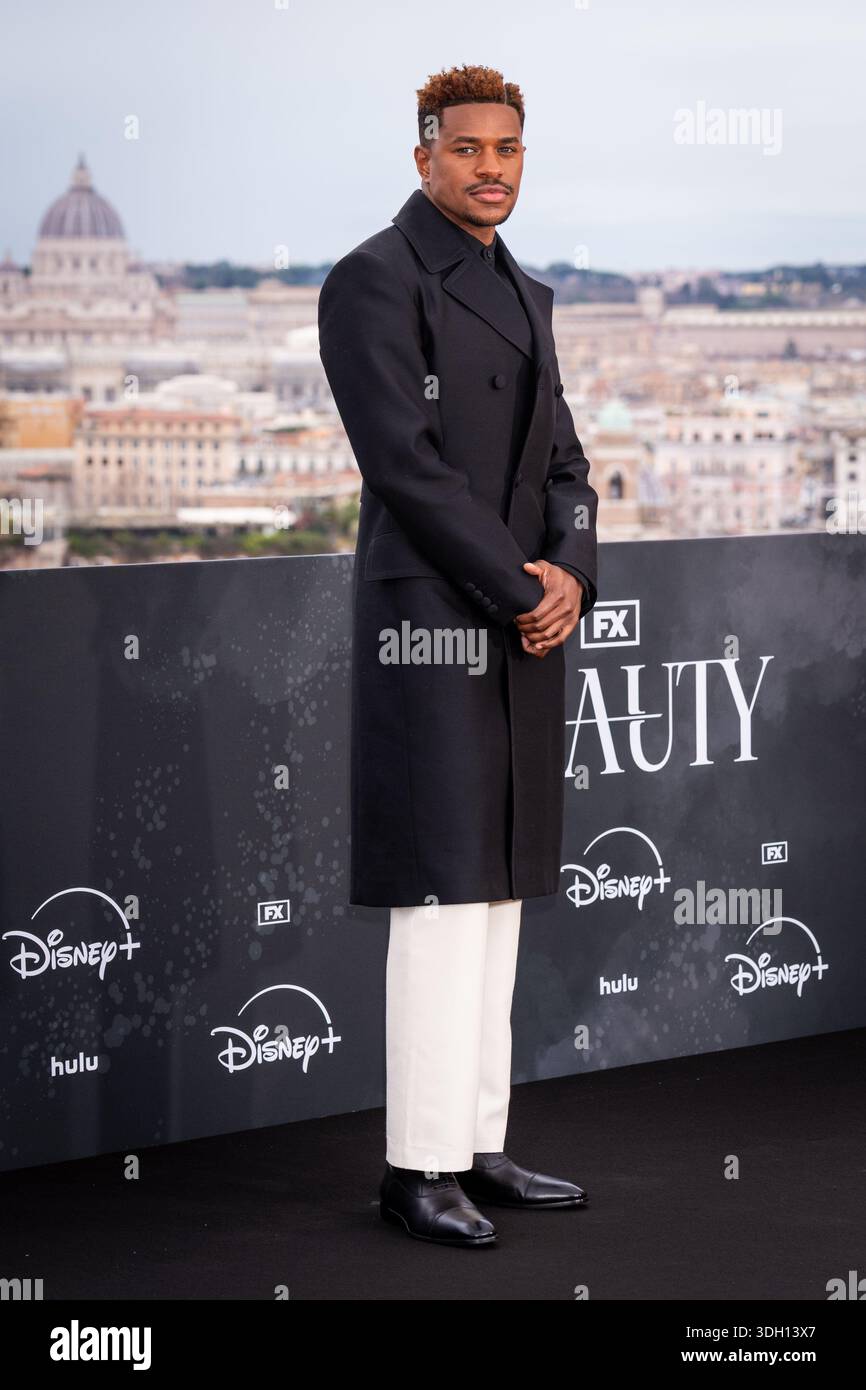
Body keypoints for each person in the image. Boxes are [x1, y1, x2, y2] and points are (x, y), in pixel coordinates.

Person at [317, 62, 599, 1247]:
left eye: (510, 149)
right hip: (434, 623)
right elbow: (405, 468)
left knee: (497, 897)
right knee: (441, 899)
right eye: (468, 148)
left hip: (520, 621)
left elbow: (570, 469)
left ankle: (473, 1143)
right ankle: (413, 1166)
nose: (492, 168)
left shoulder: (526, 293)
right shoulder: (371, 281)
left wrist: (573, 573)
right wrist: (517, 583)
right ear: (422, 153)